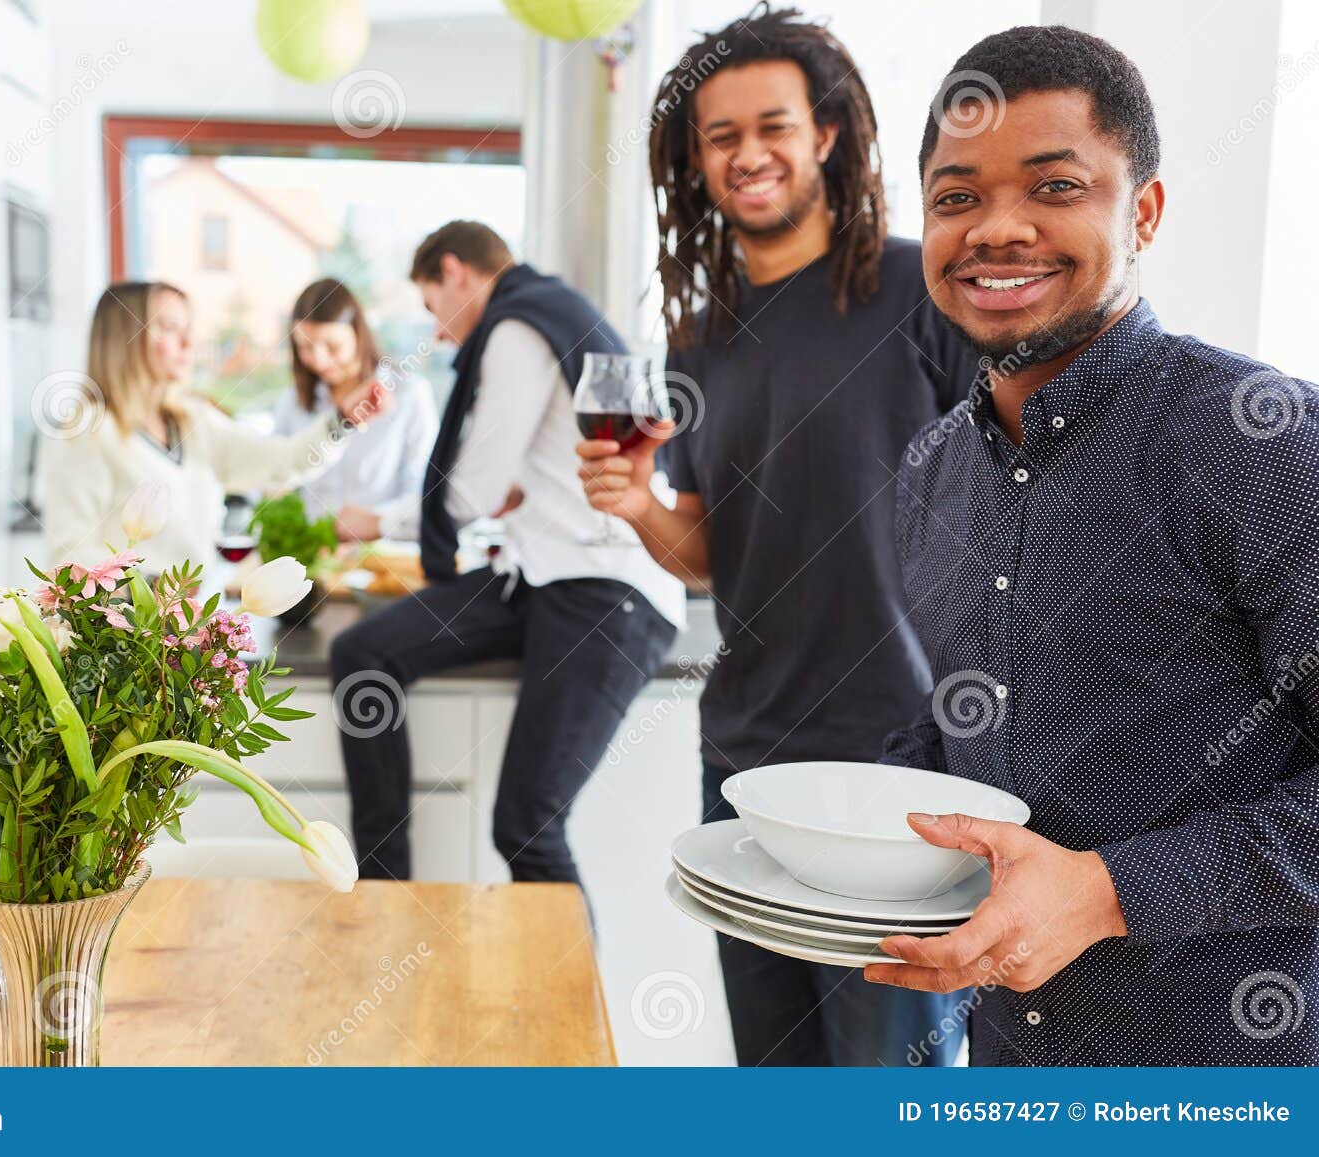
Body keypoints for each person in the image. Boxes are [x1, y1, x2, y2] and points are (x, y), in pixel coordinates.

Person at [864, 25, 1319, 1066]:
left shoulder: (1266, 442)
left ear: (1142, 210)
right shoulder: (929, 471)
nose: (996, 228)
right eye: (954, 197)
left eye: (1053, 187)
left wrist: (1107, 892)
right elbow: (964, 739)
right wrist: (827, 843)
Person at [576, 6, 977, 1066]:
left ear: (825, 138)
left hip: (897, 762)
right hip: (743, 757)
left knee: (887, 1087)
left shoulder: (916, 289)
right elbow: (708, 549)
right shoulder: (699, 336)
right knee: (770, 1077)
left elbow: (1023, 492)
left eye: (772, 126)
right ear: (695, 160)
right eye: (721, 136)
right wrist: (637, 506)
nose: (747, 154)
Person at [329, 221, 686, 887]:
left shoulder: (517, 329)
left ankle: (568, 996)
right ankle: (382, 892)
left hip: (607, 591)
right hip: (540, 574)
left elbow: (468, 492)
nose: (438, 331)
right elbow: (506, 478)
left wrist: (376, 519)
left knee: (527, 825)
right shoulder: (548, 311)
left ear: (456, 271)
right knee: (361, 654)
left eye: (433, 307)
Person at [38, 280, 389, 572]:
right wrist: (156, 593)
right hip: (127, 644)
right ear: (124, 338)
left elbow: (280, 463)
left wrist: (343, 419)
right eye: (171, 329)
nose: (189, 343)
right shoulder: (88, 431)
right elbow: (69, 558)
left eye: (189, 330)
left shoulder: (194, 421)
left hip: (188, 633)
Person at [271, 278, 438, 528]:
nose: (320, 360)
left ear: (358, 335)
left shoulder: (409, 393)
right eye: (305, 347)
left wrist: (374, 523)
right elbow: (276, 474)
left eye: (333, 346)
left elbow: (423, 489)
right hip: (314, 556)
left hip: (384, 553)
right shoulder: (293, 401)